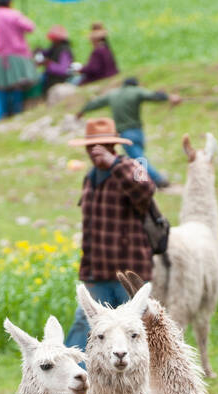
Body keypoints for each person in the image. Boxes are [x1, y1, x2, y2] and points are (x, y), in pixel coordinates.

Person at [66, 117, 157, 353]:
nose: (95, 151)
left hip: (130, 272)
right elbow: (90, 227)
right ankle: (71, 380)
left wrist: (115, 164)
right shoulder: (91, 177)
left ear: (112, 146)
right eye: (91, 147)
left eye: (102, 146)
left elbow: (146, 188)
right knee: (84, 325)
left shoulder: (132, 167)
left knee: (136, 328)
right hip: (97, 272)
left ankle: (145, 382)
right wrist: (86, 270)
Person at [77, 77, 180, 188]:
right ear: (135, 84)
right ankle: (151, 182)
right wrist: (169, 97)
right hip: (137, 131)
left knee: (137, 159)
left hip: (124, 133)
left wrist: (82, 110)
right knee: (138, 159)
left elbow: (96, 103)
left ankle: (151, 182)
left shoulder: (113, 94)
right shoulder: (136, 91)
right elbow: (154, 96)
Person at [0, 0, 38, 116]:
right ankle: (17, 112)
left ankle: (4, 113)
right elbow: (30, 28)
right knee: (17, 85)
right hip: (17, 55)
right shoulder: (14, 14)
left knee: (1, 86)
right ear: (10, 3)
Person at [36, 25, 75, 95]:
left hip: (58, 80)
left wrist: (49, 64)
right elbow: (47, 53)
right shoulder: (55, 47)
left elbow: (62, 70)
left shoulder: (64, 50)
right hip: (50, 78)